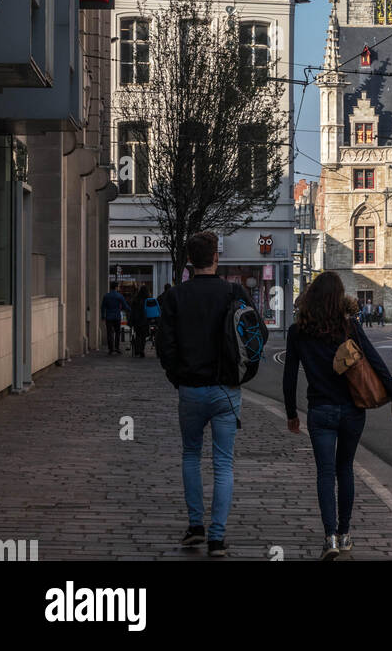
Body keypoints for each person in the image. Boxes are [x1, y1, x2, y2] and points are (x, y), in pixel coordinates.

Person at [283, 271, 392, 560]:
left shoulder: (298, 331)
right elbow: (375, 361)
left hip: (320, 410)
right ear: (339, 298)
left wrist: (291, 412)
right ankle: (345, 533)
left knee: (325, 473)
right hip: (352, 410)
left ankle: (330, 538)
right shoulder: (348, 326)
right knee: (345, 469)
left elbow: (289, 378)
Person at [157, 230, 258, 557]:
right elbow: (257, 335)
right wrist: (242, 373)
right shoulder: (234, 292)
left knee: (190, 454)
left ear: (189, 260)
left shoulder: (175, 297)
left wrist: (177, 377)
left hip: (190, 388)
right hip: (226, 390)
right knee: (223, 464)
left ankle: (195, 526)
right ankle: (216, 537)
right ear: (216, 257)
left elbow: (165, 345)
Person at [101, 284, 129, 355]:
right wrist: (131, 311)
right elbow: (125, 305)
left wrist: (103, 316)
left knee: (109, 333)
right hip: (117, 317)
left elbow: (103, 307)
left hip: (109, 317)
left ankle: (111, 348)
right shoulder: (119, 296)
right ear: (116, 287)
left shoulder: (106, 296)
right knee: (117, 332)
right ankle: (117, 348)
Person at [130, 285, 151, 358]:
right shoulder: (148, 300)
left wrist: (131, 320)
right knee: (143, 336)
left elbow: (132, 311)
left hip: (137, 320)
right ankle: (142, 350)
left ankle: (137, 350)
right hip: (145, 320)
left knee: (138, 335)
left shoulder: (136, 300)